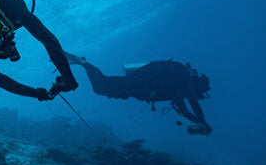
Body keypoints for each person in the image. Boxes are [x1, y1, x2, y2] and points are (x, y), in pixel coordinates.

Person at [65, 53, 212, 135]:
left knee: (100, 87)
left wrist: (199, 123)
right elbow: (194, 105)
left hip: (136, 89)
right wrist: (203, 122)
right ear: (198, 85)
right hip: (137, 84)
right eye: (201, 91)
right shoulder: (184, 81)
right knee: (100, 87)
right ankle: (82, 62)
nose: (199, 95)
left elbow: (186, 110)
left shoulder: (179, 90)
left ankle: (83, 63)